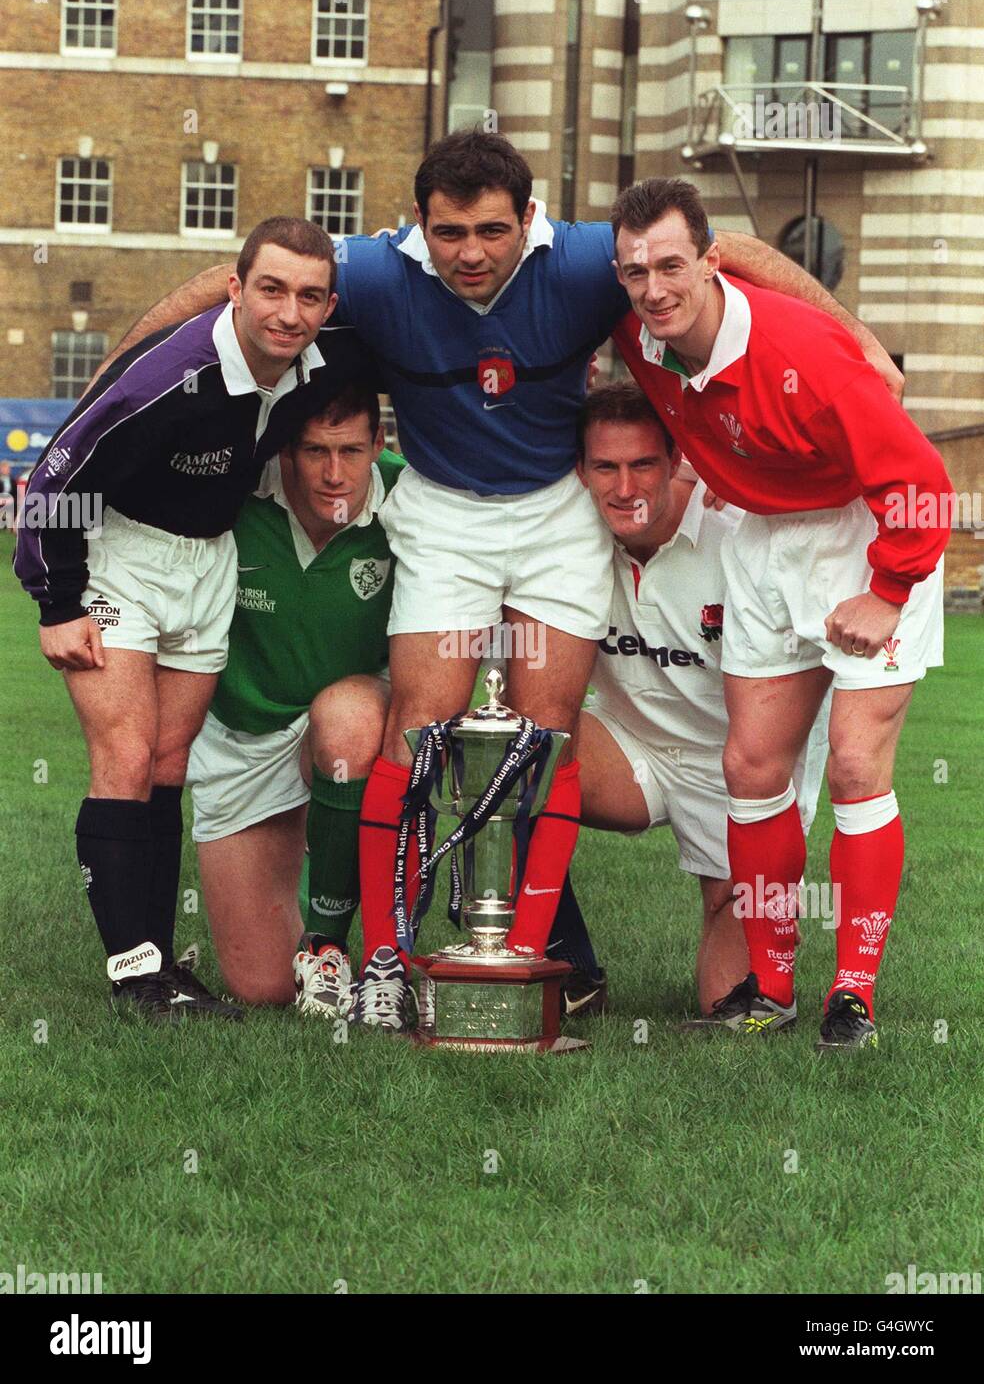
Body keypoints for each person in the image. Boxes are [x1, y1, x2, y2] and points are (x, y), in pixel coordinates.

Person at [91, 132, 905, 1035]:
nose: (469, 253)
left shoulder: (591, 258)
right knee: (418, 725)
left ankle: (526, 949)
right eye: (448, 234)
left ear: (530, 219)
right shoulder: (374, 268)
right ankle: (390, 959)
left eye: (490, 230)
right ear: (418, 227)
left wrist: (856, 335)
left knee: (540, 735)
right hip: (445, 512)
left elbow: (739, 253)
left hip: (555, 510)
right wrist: (117, 373)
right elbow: (225, 279)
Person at [609, 178, 952, 1049]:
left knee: (850, 769)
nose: (654, 288)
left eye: (672, 265)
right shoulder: (642, 341)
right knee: (752, 768)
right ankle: (770, 987)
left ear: (712, 259)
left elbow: (921, 482)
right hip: (760, 538)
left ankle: (855, 995)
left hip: (867, 532)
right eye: (634, 272)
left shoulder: (805, 351)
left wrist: (887, 590)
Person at [14, 216, 377, 1023]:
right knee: (127, 755)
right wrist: (59, 602)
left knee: (170, 761)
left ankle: (159, 965)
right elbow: (51, 480)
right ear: (235, 288)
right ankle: (134, 972)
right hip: (124, 559)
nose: (290, 313)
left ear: (329, 306)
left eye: (310, 296)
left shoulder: (322, 361)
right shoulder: (170, 376)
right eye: (273, 290)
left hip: (208, 562)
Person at [543, 382, 829, 1017]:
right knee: (511, 754)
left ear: (678, 461)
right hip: (630, 747)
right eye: (605, 467)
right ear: (579, 471)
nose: (624, 488)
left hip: (744, 768)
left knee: (729, 1009)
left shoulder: (742, 538)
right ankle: (566, 970)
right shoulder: (561, 534)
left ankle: (761, 908)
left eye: (643, 464)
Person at [185, 384, 400, 1021]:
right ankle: (313, 860)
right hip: (241, 735)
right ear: (284, 453)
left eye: (351, 451)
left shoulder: (414, 498)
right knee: (265, 988)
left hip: (347, 727)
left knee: (347, 716)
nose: (335, 474)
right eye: (314, 452)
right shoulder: (234, 491)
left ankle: (329, 944)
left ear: (378, 445)